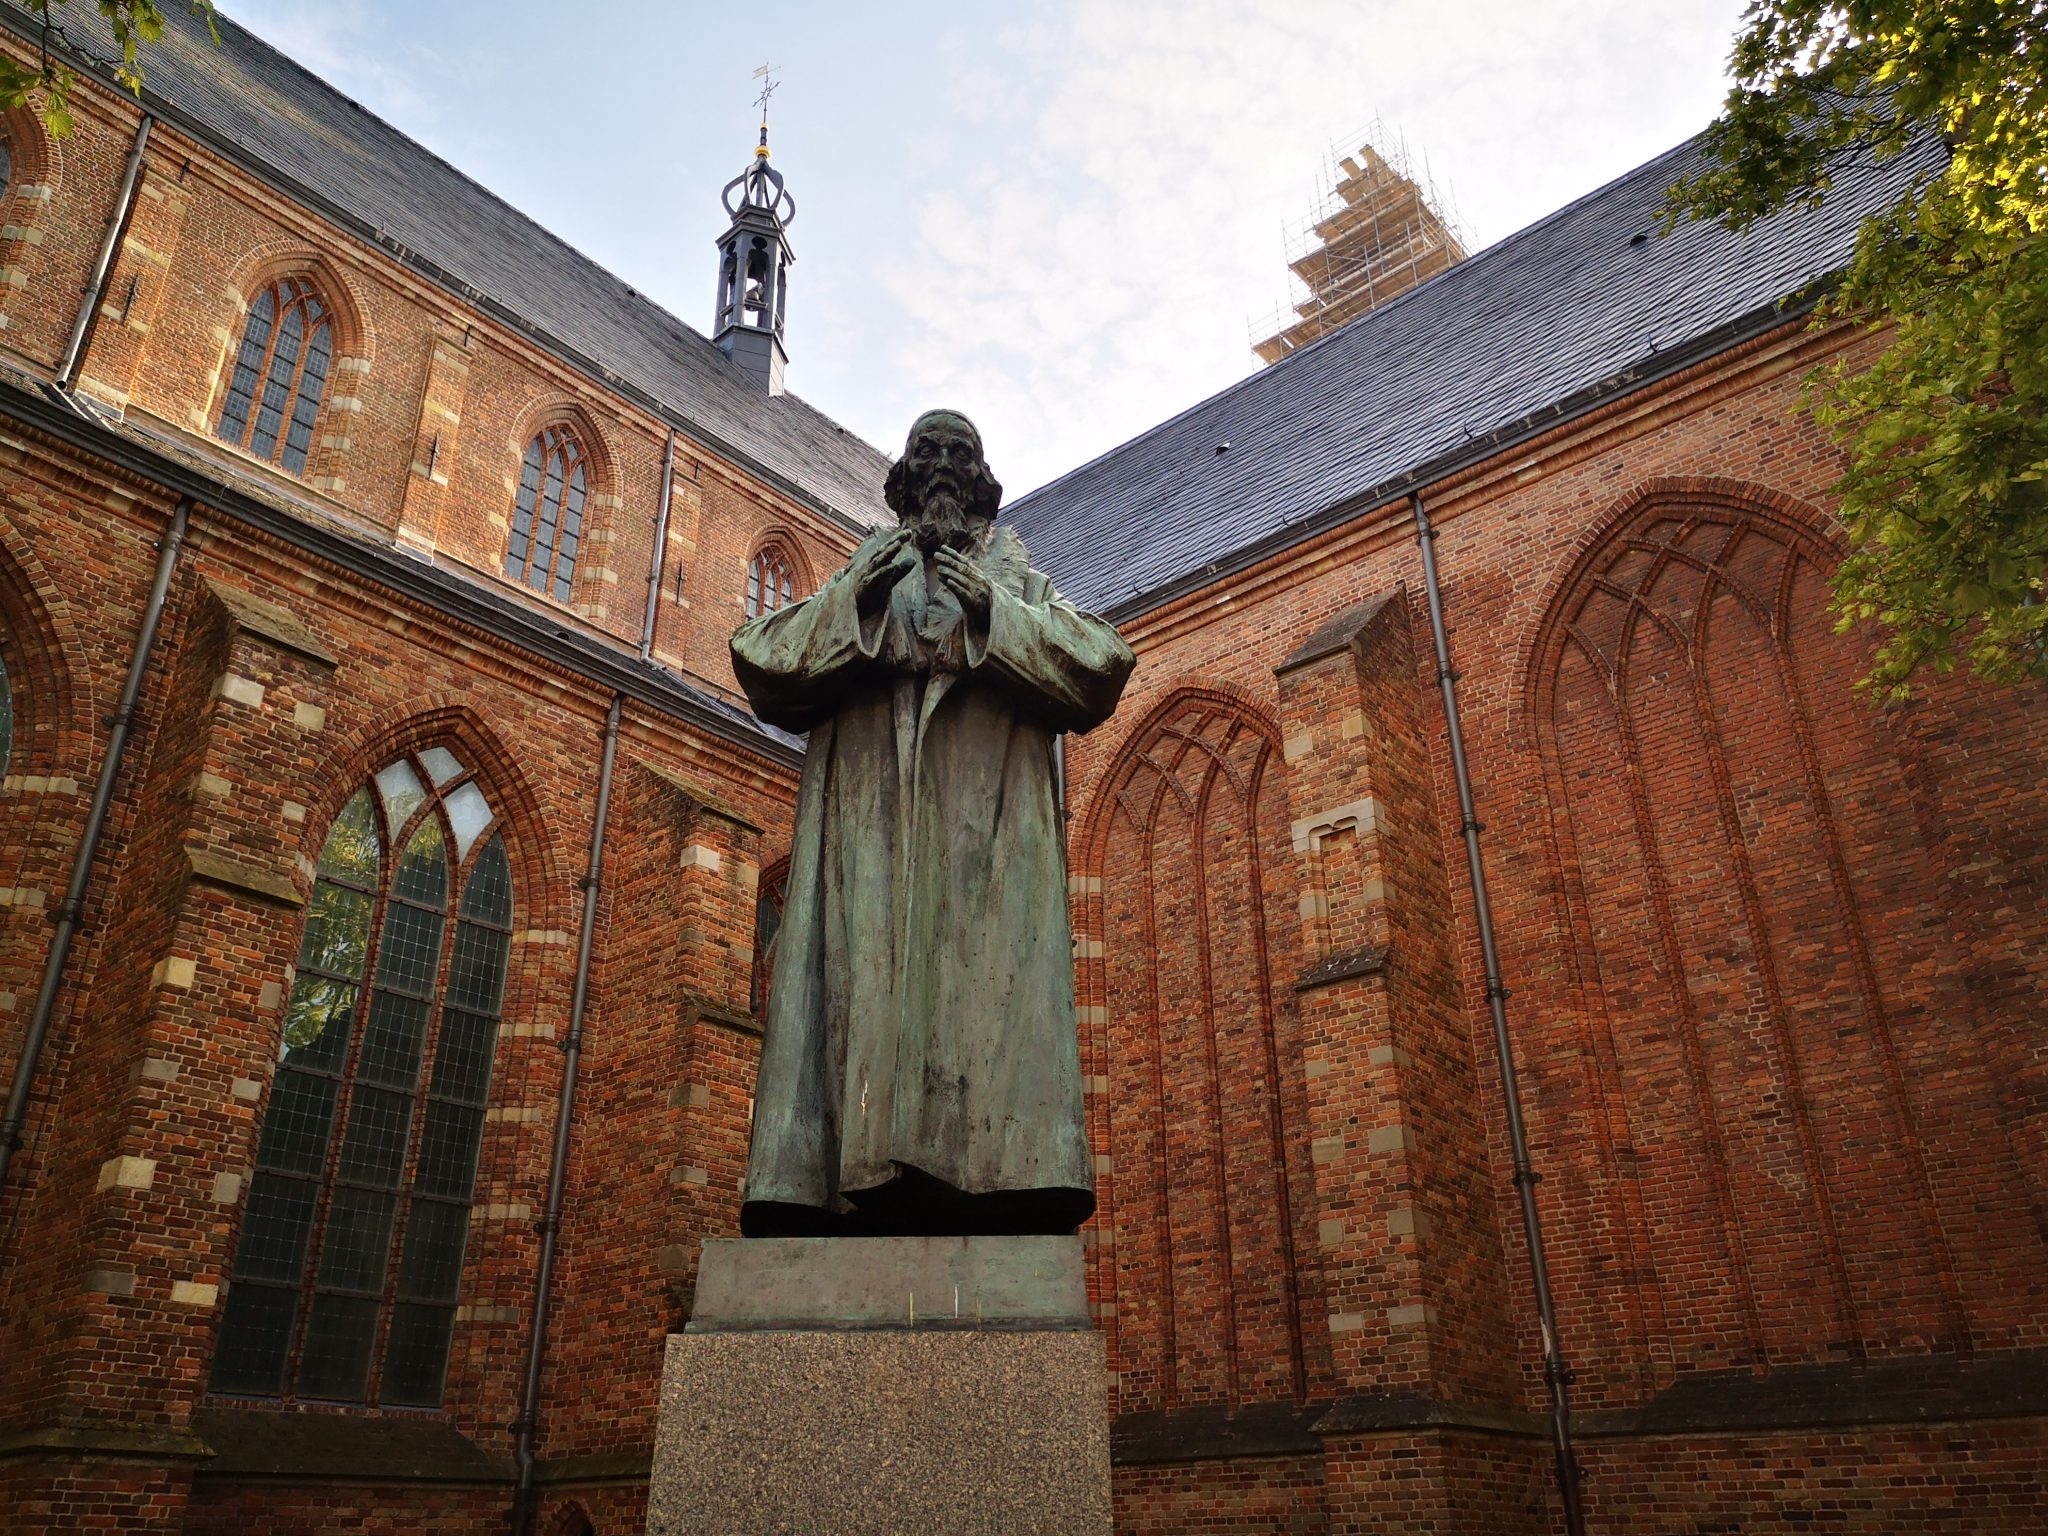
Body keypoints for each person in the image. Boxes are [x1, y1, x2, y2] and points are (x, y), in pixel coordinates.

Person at [731, 409, 1134, 1237]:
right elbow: (761, 657)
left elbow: (1102, 664)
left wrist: (993, 614)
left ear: (981, 479)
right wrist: (856, 602)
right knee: (859, 1008)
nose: (944, 465)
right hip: (868, 850)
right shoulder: (866, 568)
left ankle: (996, 1176)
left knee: (976, 1025)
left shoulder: (1015, 577)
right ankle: (841, 1178)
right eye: (928, 452)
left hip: (981, 854)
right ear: (905, 475)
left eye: (961, 453)